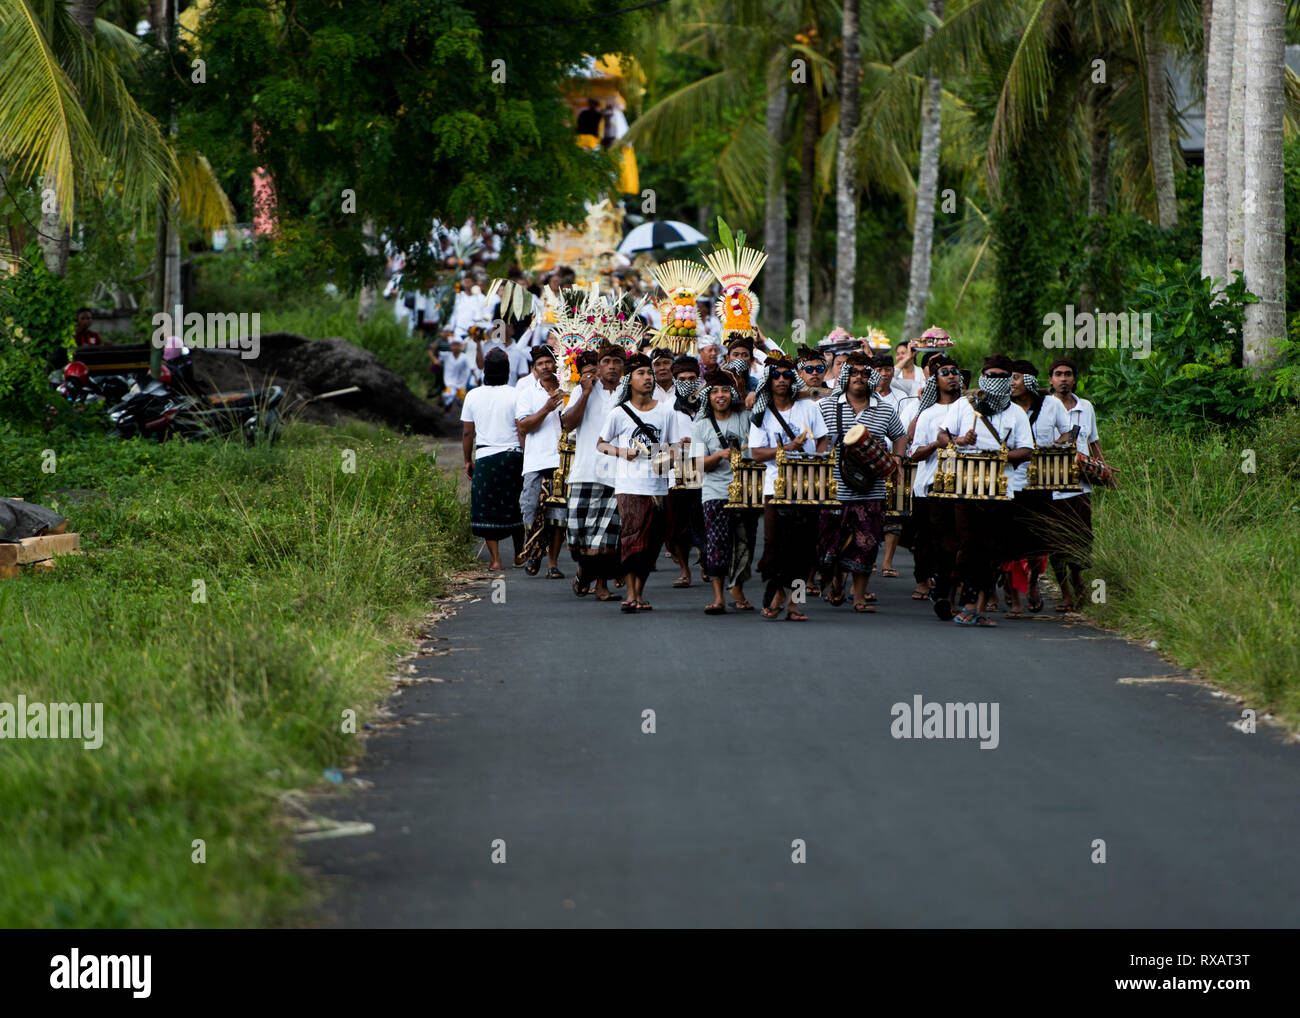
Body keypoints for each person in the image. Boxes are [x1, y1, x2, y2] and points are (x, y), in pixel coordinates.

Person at [941, 354, 1033, 627]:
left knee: (992, 550)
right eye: (990, 376)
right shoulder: (963, 406)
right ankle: (964, 601)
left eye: (1002, 377)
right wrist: (959, 439)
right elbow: (941, 436)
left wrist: (1002, 457)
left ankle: (977, 608)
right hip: (965, 489)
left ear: (1010, 380)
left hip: (1001, 493)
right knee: (969, 546)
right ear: (983, 378)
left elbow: (1027, 450)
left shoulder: (1016, 413)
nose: (995, 381)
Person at [816, 352, 906, 614]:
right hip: (834, 490)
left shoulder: (885, 409)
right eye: (853, 372)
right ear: (845, 377)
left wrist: (898, 458)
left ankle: (858, 597)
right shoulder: (827, 406)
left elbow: (900, 436)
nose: (859, 377)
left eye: (865, 374)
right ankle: (835, 584)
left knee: (866, 545)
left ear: (871, 378)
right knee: (829, 544)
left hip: (872, 489)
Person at [597, 353, 688, 612]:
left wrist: (675, 451)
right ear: (630, 381)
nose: (648, 378)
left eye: (649, 373)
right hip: (629, 486)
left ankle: (640, 591)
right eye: (641, 374)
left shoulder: (665, 411)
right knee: (631, 539)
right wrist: (621, 452)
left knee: (651, 543)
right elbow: (601, 444)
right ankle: (631, 593)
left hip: (658, 485)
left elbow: (670, 445)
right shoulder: (619, 413)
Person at [748, 354, 830, 620]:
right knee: (774, 544)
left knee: (804, 547)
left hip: (807, 486)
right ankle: (775, 593)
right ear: (768, 380)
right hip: (775, 487)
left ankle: (795, 604)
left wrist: (814, 460)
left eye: (786, 375)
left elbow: (823, 439)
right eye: (775, 375)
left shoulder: (809, 408)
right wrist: (787, 449)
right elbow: (757, 453)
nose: (781, 380)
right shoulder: (761, 412)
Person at [1002, 359, 1073, 616]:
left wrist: (1055, 447)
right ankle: (1015, 598)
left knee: (1039, 544)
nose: (1012, 383)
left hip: (1042, 483)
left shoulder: (1051, 405)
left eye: (1017, 378)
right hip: (1011, 483)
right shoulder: (1005, 407)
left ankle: (1033, 584)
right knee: (1009, 543)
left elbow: (1069, 432)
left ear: (1029, 381)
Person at [561, 345, 624, 600]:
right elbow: (567, 424)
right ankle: (584, 572)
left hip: (617, 474)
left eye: (616, 362)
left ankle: (601, 585)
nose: (611, 366)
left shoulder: (627, 393)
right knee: (579, 535)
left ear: (623, 367)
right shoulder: (582, 389)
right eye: (606, 361)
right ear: (599, 365)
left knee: (607, 538)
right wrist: (586, 393)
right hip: (585, 471)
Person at [693, 370, 754, 613]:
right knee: (717, 544)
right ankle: (718, 597)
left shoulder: (744, 417)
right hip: (715, 492)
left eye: (725, 390)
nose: (721, 395)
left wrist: (745, 394)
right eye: (715, 391)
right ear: (708, 397)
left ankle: (736, 587)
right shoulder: (702, 425)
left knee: (745, 543)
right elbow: (697, 464)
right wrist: (718, 455)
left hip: (745, 491)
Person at [1045, 356, 1102, 613]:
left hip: (1082, 484)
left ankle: (1078, 579)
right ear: (1051, 379)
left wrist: (1103, 469)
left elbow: (1093, 442)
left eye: (1068, 374)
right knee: (1056, 540)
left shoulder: (1086, 407)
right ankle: (1066, 593)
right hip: (1054, 484)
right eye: (1058, 374)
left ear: (1074, 378)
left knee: (1081, 536)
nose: (1064, 379)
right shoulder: (1044, 406)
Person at [907, 356, 963, 618]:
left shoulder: (969, 411)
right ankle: (930, 584)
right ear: (935, 381)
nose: (951, 376)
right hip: (929, 486)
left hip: (962, 486)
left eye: (955, 372)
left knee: (954, 543)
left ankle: (946, 592)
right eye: (945, 373)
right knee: (929, 541)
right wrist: (934, 446)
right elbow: (914, 454)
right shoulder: (927, 414)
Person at [461, 350, 526, 571]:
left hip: (486, 457)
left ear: (485, 372)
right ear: (508, 371)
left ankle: (495, 559)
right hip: (513, 456)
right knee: (514, 505)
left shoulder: (473, 395)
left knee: (487, 508)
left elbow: (468, 434)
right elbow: (521, 429)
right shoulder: (516, 394)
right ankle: (520, 554)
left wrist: (467, 460)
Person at [515, 347, 568, 578]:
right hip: (536, 462)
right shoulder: (527, 392)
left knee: (558, 516)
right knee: (530, 510)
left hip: (562, 461)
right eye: (540, 363)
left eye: (549, 362)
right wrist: (547, 408)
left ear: (556, 365)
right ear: (533, 369)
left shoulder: (569, 389)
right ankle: (535, 551)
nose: (546, 366)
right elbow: (523, 426)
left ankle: (552, 563)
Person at [664, 355, 706, 587]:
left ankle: (707, 562)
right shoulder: (666, 408)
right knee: (678, 527)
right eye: (682, 379)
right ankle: (684, 569)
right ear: (675, 380)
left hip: (707, 471)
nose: (688, 382)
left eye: (692, 378)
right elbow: (659, 443)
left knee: (704, 520)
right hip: (677, 474)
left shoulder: (708, 404)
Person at [440, 334, 474, 407]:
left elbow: (470, 368)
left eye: (458, 345)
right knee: (449, 397)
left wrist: (473, 377)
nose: (456, 347)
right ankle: (447, 409)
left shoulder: (464, 357)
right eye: (454, 345)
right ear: (451, 346)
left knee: (461, 397)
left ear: (461, 346)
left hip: (461, 382)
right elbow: (437, 353)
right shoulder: (447, 355)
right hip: (449, 381)